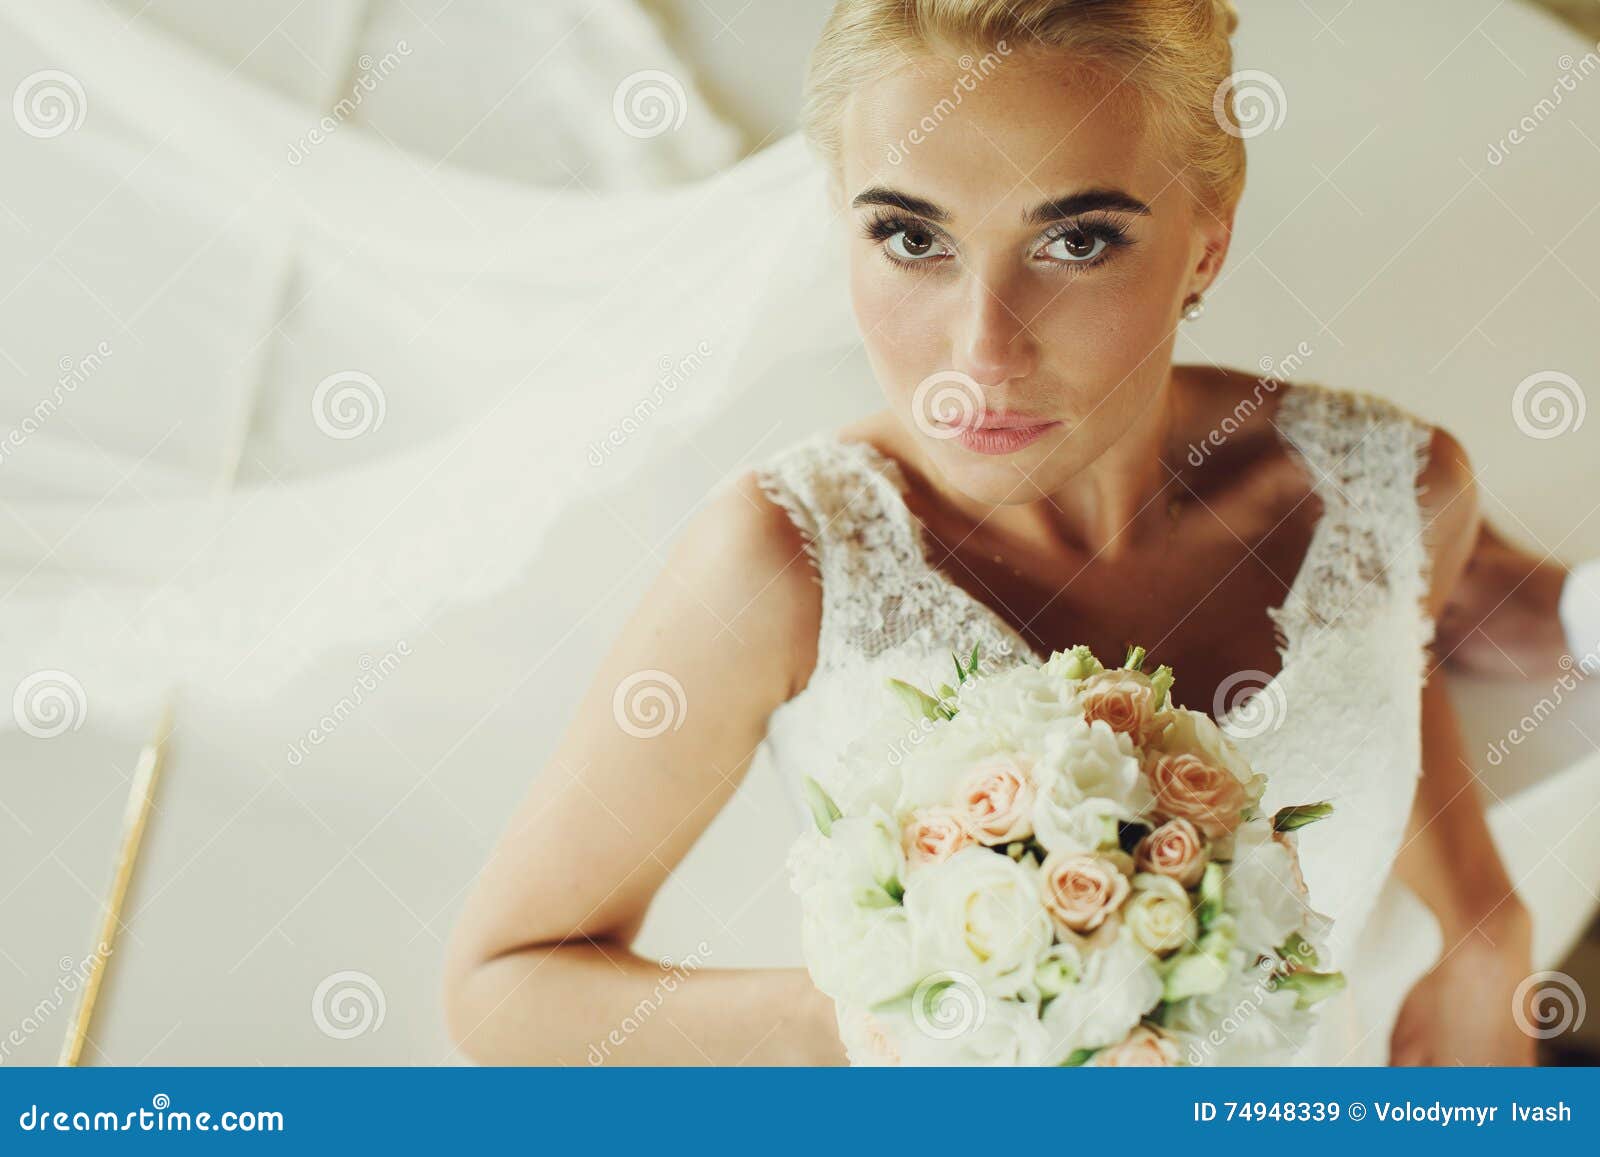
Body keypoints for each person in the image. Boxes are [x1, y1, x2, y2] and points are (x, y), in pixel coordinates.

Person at [443, 0, 1535, 1065]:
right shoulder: (787, 559)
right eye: (911, 235)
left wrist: (1485, 919)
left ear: (1207, 241)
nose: (983, 351)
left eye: (1076, 240)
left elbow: (1382, 674)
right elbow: (503, 986)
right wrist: (917, 1013)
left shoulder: (1389, 490)